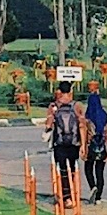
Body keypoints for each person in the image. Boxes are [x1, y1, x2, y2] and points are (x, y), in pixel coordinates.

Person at [45, 79, 82, 207]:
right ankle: (74, 195)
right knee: (73, 169)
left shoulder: (53, 106)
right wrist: (82, 144)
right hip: (74, 143)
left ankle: (66, 198)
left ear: (59, 91)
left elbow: (48, 125)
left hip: (59, 143)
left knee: (62, 170)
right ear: (71, 91)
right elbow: (82, 125)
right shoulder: (77, 106)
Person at [82, 91, 107, 202]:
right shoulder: (105, 116)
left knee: (88, 169)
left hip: (90, 147)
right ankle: (98, 197)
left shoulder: (87, 117)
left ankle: (93, 186)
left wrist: (83, 148)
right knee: (100, 172)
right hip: (102, 146)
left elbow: (85, 134)